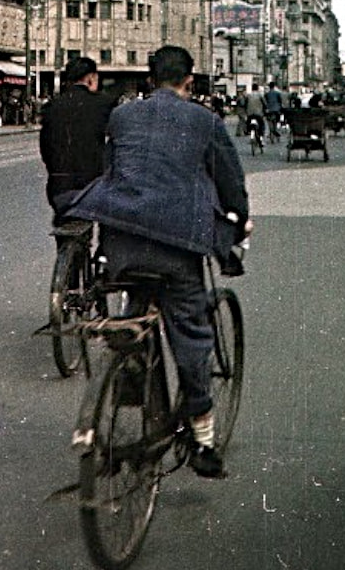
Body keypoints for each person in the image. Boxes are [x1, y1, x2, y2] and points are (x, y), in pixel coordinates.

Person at [67, 46, 252, 480]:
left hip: (121, 237)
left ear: (149, 80)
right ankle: (202, 438)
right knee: (191, 332)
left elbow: (113, 170)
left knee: (134, 311)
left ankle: (126, 386)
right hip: (175, 243)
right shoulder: (204, 120)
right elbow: (231, 180)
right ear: (189, 81)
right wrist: (240, 219)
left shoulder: (122, 115)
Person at [39, 55, 114, 226]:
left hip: (59, 187)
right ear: (91, 78)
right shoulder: (104, 104)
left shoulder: (52, 106)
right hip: (94, 186)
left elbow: (45, 149)